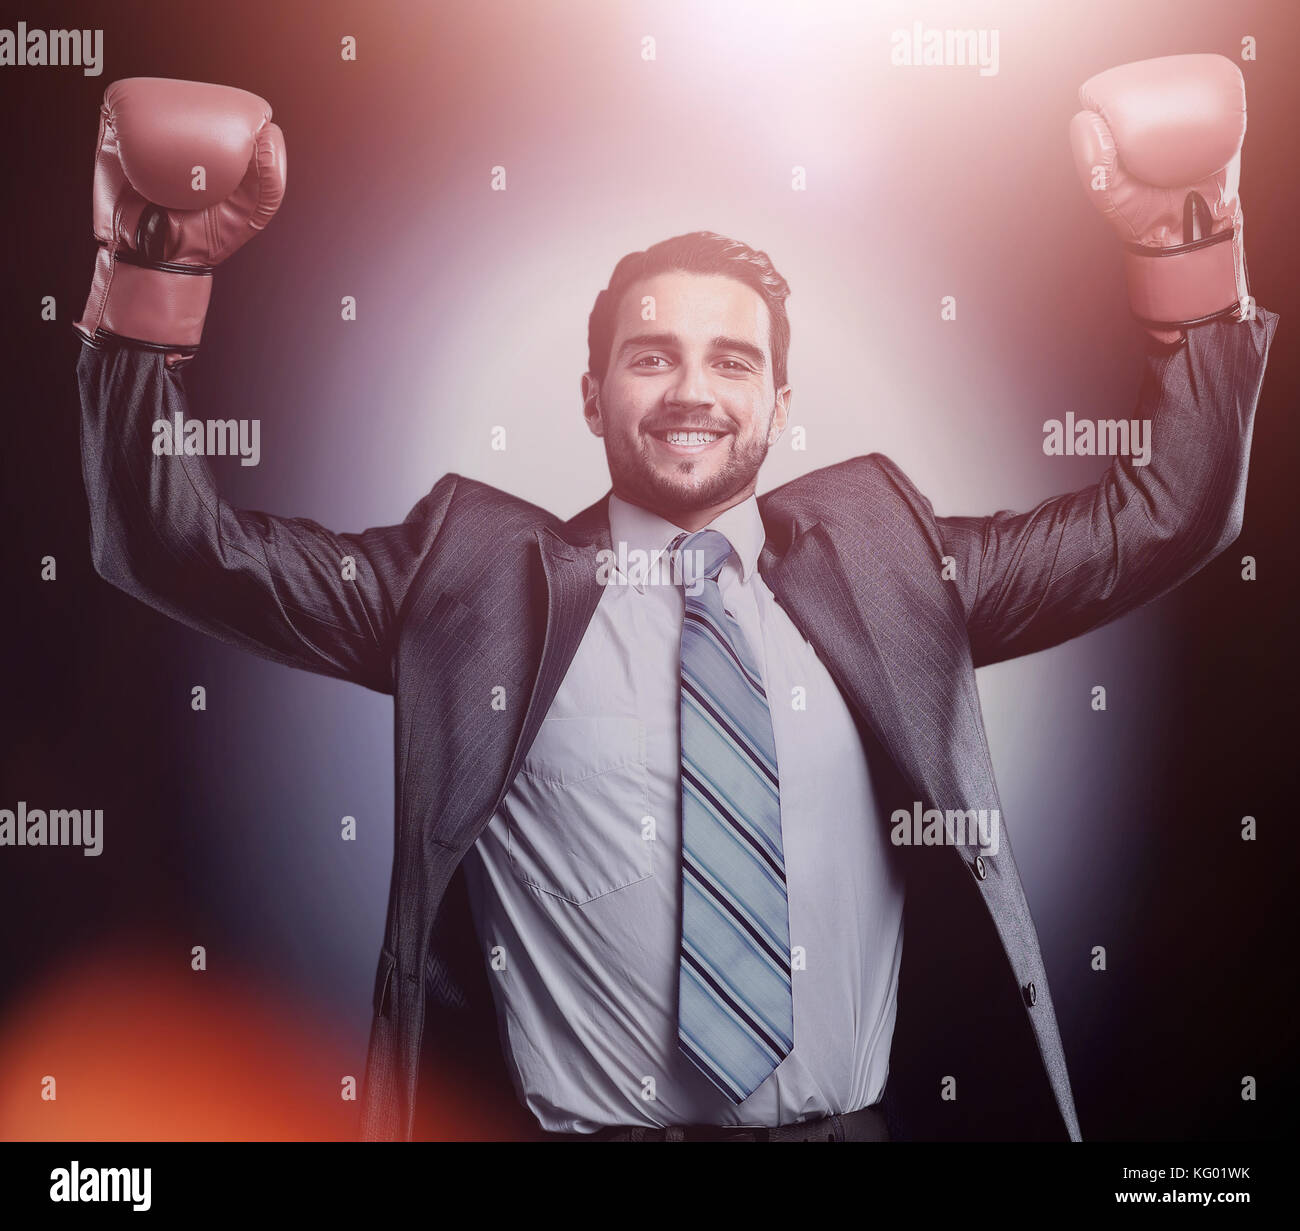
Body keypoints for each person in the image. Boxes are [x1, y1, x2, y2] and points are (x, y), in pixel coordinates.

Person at [74, 57, 1277, 1143]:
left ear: (780, 402)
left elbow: (1167, 515)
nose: (691, 390)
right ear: (592, 398)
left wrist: (1189, 254)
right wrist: (154, 275)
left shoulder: (893, 559)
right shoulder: (466, 577)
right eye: (651, 357)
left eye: (732, 360)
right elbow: (179, 549)